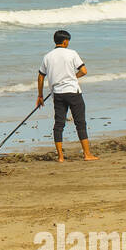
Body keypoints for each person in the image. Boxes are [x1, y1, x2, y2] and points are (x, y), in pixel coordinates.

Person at [37, 30, 97, 162]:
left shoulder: (47, 57)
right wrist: (73, 77)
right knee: (80, 123)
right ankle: (87, 154)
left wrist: (40, 96)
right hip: (73, 92)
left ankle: (60, 156)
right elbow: (84, 71)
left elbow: (41, 77)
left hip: (57, 94)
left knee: (59, 124)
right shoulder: (72, 53)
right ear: (65, 41)